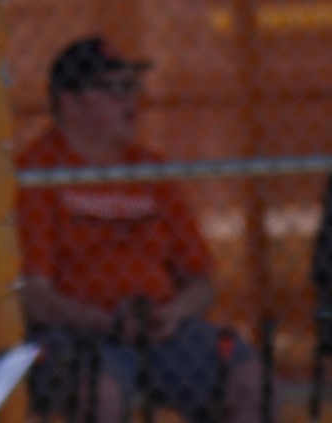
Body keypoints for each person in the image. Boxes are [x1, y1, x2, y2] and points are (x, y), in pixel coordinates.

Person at [17, 36, 269, 423]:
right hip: (81, 335)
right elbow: (35, 296)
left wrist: (171, 314)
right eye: (114, 89)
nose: (132, 102)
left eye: (132, 88)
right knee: (97, 392)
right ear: (70, 103)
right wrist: (107, 322)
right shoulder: (36, 173)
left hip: (164, 331)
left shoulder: (152, 169)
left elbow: (202, 281)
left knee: (252, 380)